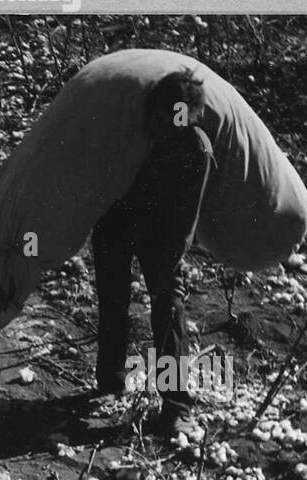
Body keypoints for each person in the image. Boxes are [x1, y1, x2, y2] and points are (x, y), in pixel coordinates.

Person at [87, 68, 214, 438]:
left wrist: (169, 265)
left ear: (188, 117)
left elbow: (186, 219)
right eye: (159, 115)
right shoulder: (133, 131)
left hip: (163, 235)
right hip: (116, 220)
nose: (163, 125)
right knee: (113, 301)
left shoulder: (196, 148)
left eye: (173, 118)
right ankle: (110, 380)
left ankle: (177, 406)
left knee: (168, 308)